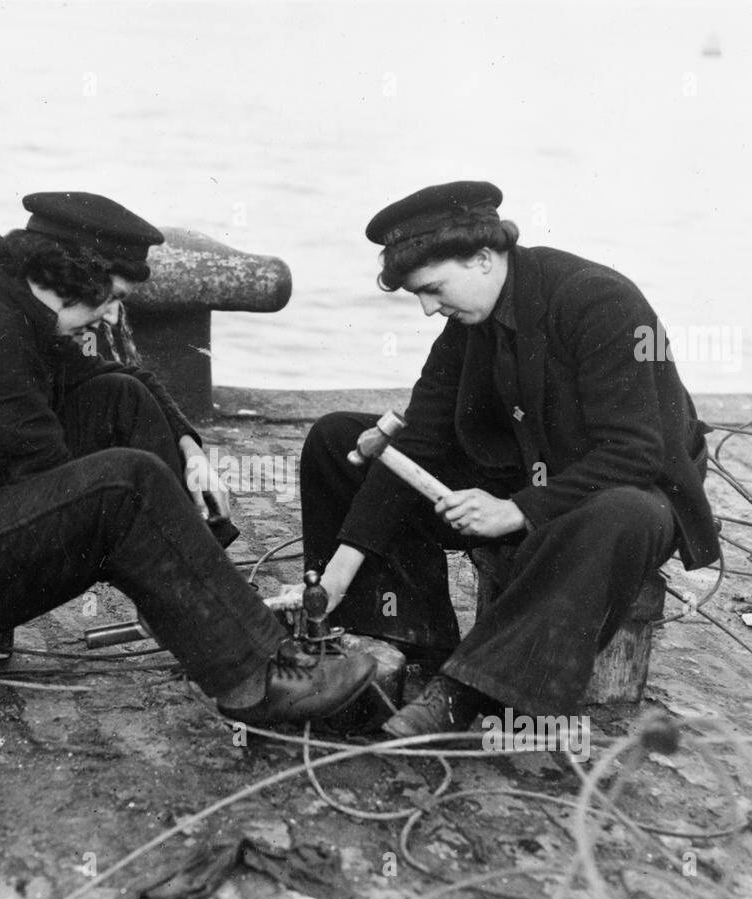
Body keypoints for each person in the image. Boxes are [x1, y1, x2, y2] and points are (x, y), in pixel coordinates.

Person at [0, 191, 375, 726]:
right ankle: (255, 681)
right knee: (127, 487)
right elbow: (46, 483)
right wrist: (148, 533)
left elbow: (121, 378)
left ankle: (216, 613)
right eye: (113, 295)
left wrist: (187, 444)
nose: (116, 312)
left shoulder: (9, 301)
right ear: (75, 276)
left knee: (120, 399)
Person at [298, 180, 720, 737]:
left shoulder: (601, 301)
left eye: (432, 289)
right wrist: (340, 568)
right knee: (337, 441)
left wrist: (517, 510)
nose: (428, 309)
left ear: (481, 258)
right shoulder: (467, 318)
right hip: (527, 468)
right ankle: (403, 641)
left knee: (623, 513)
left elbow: (636, 452)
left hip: (633, 488)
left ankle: (467, 691)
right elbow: (420, 437)